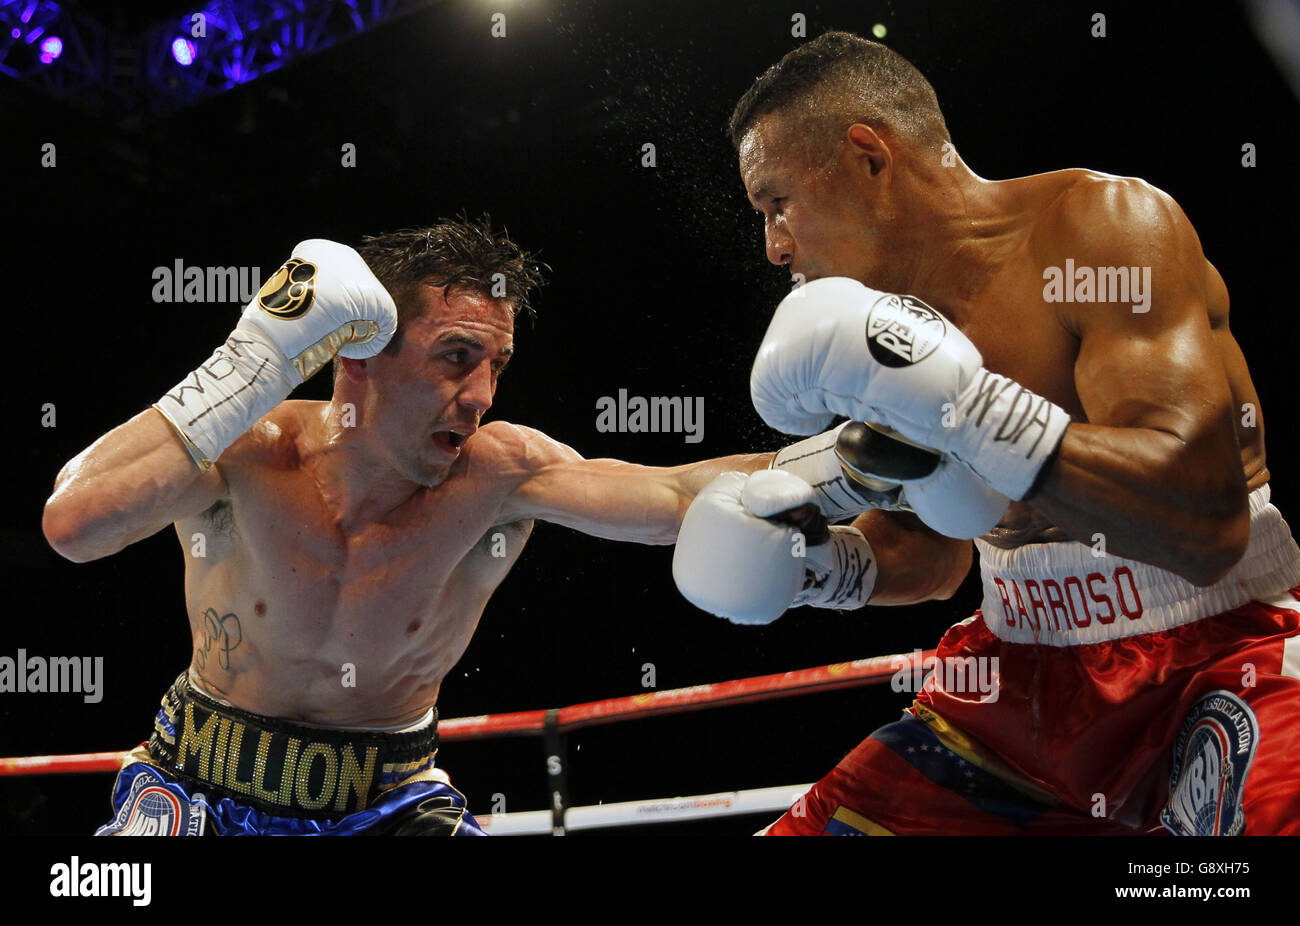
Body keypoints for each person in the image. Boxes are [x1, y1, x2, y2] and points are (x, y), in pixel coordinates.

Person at [675, 31, 1300, 835]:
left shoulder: (1100, 226)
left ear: (868, 156)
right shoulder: (890, 327)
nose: (773, 245)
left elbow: (1205, 520)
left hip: (1215, 655)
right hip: (1013, 689)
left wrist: (970, 410)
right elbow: (933, 551)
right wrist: (824, 567)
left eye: (776, 203)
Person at [42, 218, 791, 835]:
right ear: (357, 353)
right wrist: (255, 359)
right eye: (456, 358)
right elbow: (75, 523)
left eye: (497, 364)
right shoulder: (247, 450)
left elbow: (680, 497)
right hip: (194, 786)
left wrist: (854, 453)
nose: (482, 396)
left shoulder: (500, 475)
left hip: (391, 809)